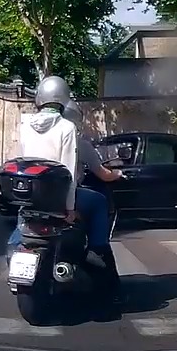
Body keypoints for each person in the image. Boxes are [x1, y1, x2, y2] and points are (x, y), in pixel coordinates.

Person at [6, 76, 121, 303]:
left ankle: (14, 253)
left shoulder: (25, 123)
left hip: (32, 195)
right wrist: (68, 210)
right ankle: (98, 247)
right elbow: (67, 171)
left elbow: (23, 159)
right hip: (59, 198)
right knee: (98, 202)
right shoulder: (68, 129)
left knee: (23, 224)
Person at [63, 100, 125, 300]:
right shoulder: (79, 143)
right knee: (99, 201)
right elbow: (103, 175)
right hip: (69, 196)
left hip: (37, 197)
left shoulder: (34, 134)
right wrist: (117, 174)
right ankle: (98, 247)